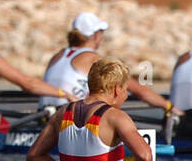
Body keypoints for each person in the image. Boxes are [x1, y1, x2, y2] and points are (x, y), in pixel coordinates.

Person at [27, 57, 155, 161]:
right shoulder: (116, 117)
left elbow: (34, 156)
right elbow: (145, 157)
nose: (126, 96)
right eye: (125, 90)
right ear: (117, 89)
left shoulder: (62, 113)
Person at [39, 11, 172, 113]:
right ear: (95, 35)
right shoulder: (92, 58)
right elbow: (138, 90)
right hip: (69, 117)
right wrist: (168, 106)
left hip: (45, 115)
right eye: (101, 32)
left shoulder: (57, 56)